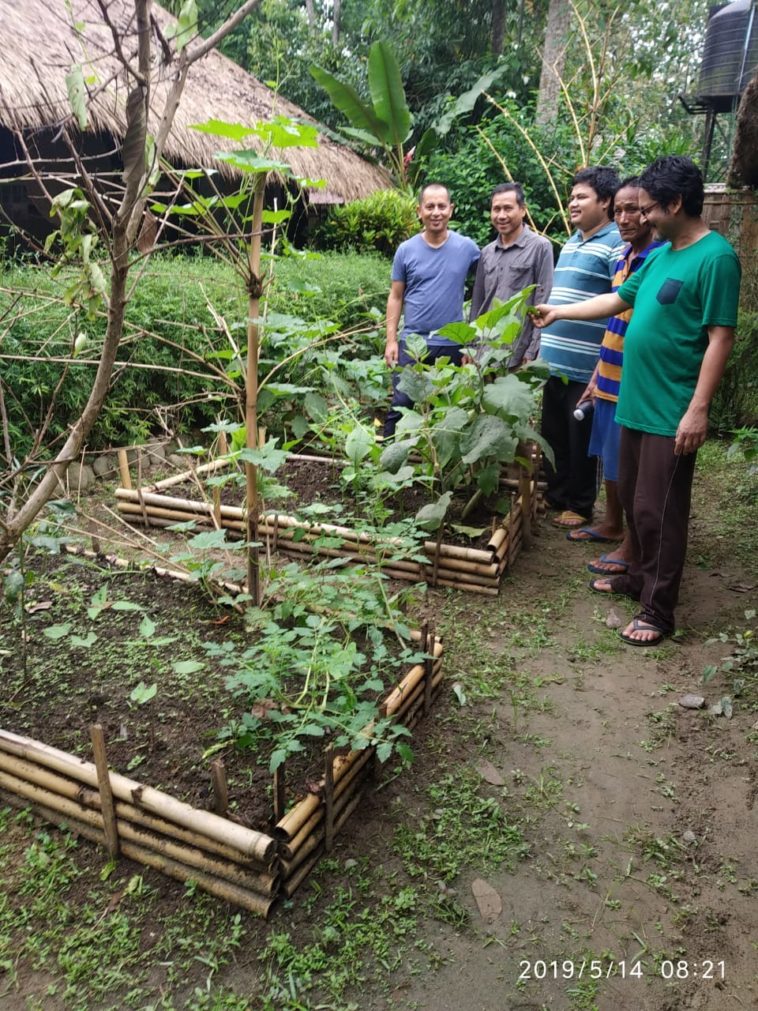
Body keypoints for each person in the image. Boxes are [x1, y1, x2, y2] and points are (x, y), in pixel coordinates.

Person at [535, 155, 741, 646]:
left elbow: (720, 338)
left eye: (648, 208)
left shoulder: (716, 258)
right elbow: (616, 300)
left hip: (671, 408)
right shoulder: (660, 255)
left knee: (659, 510)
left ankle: (658, 610)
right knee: (631, 498)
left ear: (676, 203)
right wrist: (559, 312)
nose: (641, 217)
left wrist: (698, 409)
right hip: (634, 400)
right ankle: (636, 578)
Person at [566, 177, 663, 579]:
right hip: (608, 372)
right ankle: (611, 523)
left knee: (628, 466)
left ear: (651, 212)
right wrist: (595, 374)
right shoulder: (625, 256)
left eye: (633, 210)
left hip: (632, 379)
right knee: (609, 457)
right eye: (619, 210)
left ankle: (631, 544)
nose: (624, 218)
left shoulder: (655, 259)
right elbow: (614, 321)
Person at [538, 166, 625, 529]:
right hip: (553, 362)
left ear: (605, 201)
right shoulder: (572, 241)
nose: (572, 203)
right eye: (571, 197)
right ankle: (556, 495)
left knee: (581, 439)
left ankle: (581, 503)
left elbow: (619, 303)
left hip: (587, 365)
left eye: (581, 197)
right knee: (554, 434)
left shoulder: (617, 243)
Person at [383, 183, 480, 437]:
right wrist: (391, 340)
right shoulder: (406, 250)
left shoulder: (467, 248)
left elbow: (486, 287)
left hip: (451, 344)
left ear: (451, 209)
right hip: (412, 343)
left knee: (447, 409)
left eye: (441, 206)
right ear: (419, 211)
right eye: (430, 206)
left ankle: (440, 460)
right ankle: (387, 457)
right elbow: (395, 296)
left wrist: (473, 344)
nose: (436, 212)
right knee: (402, 404)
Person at [469, 182, 554, 367]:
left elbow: (543, 299)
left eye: (508, 208)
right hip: (484, 351)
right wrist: (471, 346)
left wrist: (532, 349)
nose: (501, 215)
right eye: (496, 209)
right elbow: (478, 303)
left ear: (523, 210)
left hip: (517, 351)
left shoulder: (540, 247)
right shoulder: (487, 252)